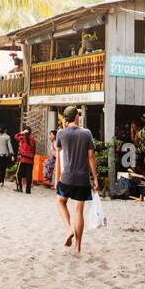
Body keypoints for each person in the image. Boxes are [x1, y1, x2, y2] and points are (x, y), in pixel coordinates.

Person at [55, 105, 99, 253]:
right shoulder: (86, 133)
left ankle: (68, 230)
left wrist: (63, 127)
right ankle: (78, 247)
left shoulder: (61, 133)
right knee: (79, 212)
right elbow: (91, 157)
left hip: (66, 178)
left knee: (61, 201)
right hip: (82, 179)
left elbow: (58, 154)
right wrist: (96, 179)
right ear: (76, 117)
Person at [14, 125, 36, 193]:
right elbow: (34, 150)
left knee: (18, 174)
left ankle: (19, 187)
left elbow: (15, 136)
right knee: (29, 175)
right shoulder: (33, 139)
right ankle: (28, 190)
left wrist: (21, 132)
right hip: (30, 160)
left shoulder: (22, 138)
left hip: (23, 159)